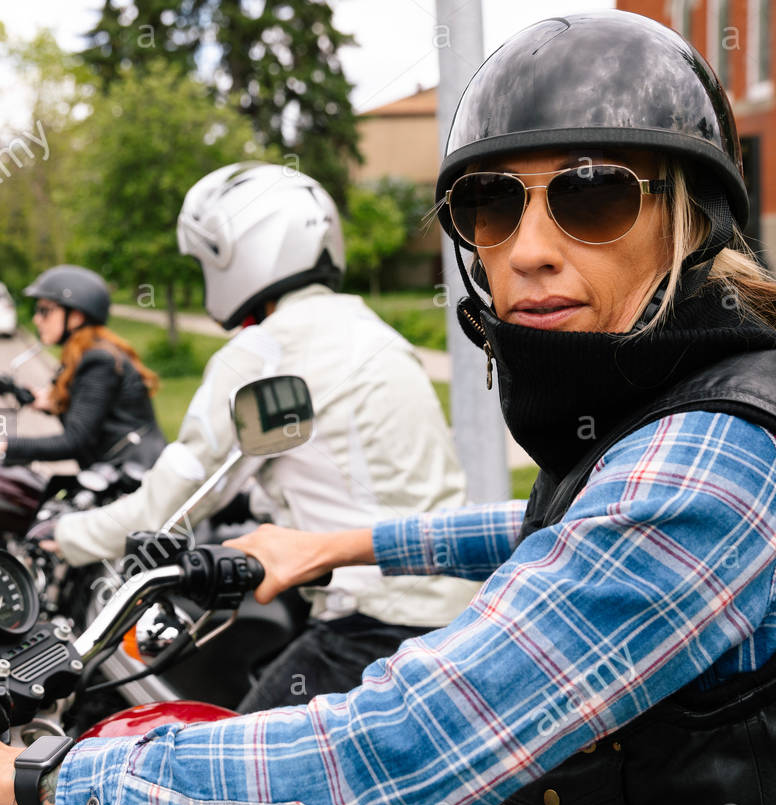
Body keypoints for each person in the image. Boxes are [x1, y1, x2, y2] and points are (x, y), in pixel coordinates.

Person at [0, 11, 776, 805]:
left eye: (590, 194)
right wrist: (344, 541)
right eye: (491, 204)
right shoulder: (671, 419)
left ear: (686, 219)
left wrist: (28, 773)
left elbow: (384, 758)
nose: (529, 249)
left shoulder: (708, 466)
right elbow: (573, 523)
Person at [50, 162, 480, 713]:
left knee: (227, 772)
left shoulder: (263, 355)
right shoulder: (374, 333)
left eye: (209, 259)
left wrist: (62, 534)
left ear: (241, 251)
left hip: (376, 626)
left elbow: (162, 509)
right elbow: (344, 464)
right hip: (454, 610)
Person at [0, 265, 165, 472]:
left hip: (133, 477)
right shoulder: (86, 352)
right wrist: (43, 400)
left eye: (45, 311)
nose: (36, 319)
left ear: (76, 317)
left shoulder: (98, 360)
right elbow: (92, 409)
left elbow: (75, 440)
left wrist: (2, 443)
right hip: (113, 470)